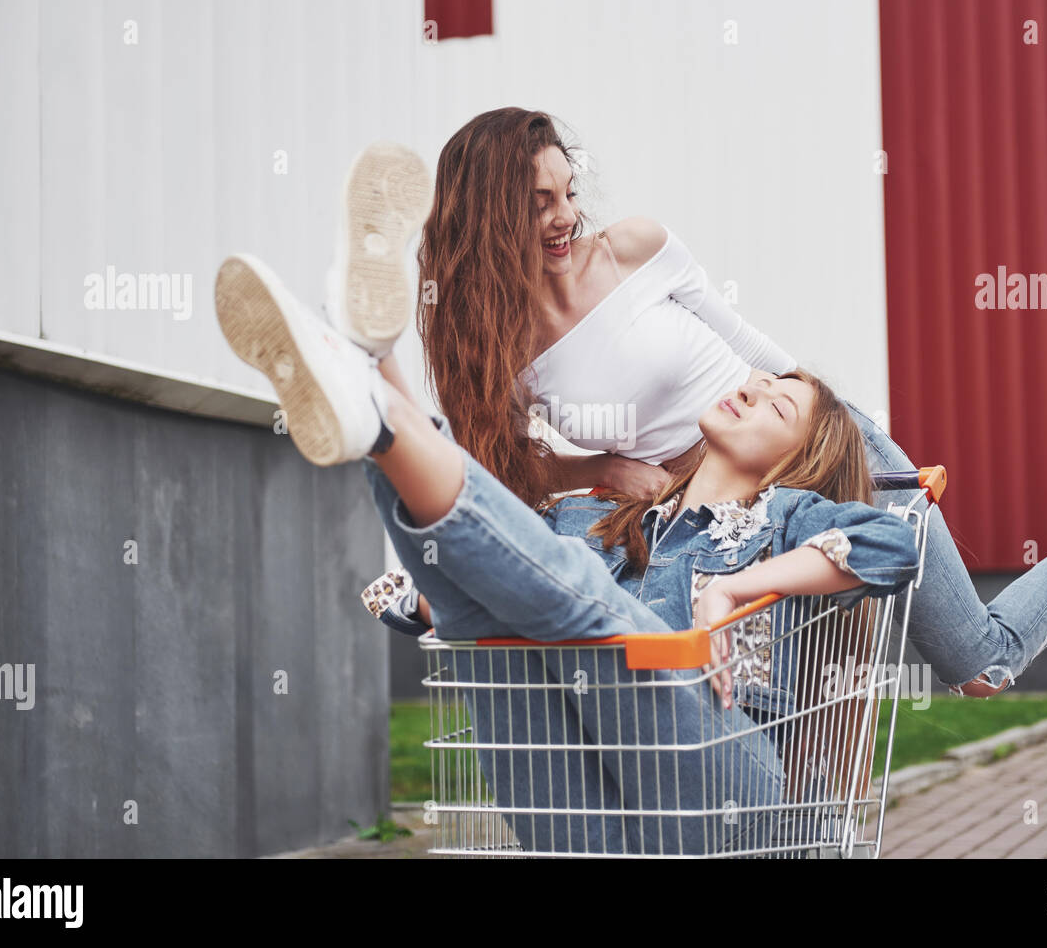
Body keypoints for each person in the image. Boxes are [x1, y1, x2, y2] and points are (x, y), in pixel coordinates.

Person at [379, 110, 1047, 699]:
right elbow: (504, 461)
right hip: (708, 518)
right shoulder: (488, 337)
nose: (567, 217)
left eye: (568, 191)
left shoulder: (632, 248)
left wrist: (851, 439)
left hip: (814, 454)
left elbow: (755, 347)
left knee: (976, 664)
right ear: (490, 212)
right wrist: (600, 465)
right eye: (539, 204)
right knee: (796, 699)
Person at [214, 251, 922, 856]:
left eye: (777, 405)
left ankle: (376, 399)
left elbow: (892, 543)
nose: (751, 386)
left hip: (729, 795)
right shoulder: (600, 519)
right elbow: (475, 573)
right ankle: (375, 382)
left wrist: (738, 587)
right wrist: (434, 598)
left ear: (798, 461)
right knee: (484, 620)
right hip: (604, 787)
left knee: (594, 607)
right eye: (760, 380)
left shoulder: (786, 515)